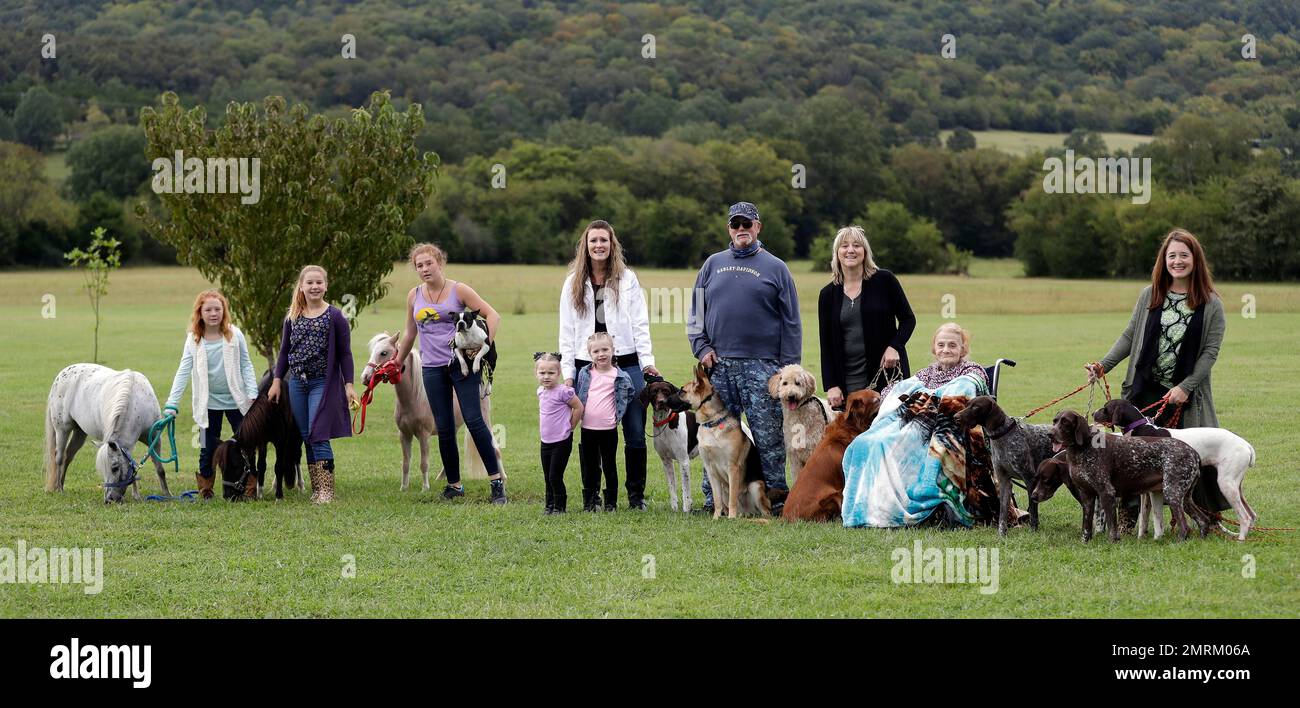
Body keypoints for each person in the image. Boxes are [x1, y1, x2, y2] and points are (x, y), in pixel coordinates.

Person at [1086, 228, 1228, 516]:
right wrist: (1103, 366)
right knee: (1134, 453)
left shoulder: (1212, 304)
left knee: (1189, 452)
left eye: (1184, 255)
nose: (1177, 261)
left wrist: (1186, 387)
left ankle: (1204, 514)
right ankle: (1129, 514)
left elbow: (1210, 353)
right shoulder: (1149, 295)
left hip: (1184, 396)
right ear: (1164, 260)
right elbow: (1129, 336)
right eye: (1171, 255)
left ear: (1195, 260)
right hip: (1144, 388)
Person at [687, 201, 801, 513]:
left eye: (747, 224)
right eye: (736, 225)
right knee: (715, 435)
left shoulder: (776, 267)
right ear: (729, 229)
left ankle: (776, 502)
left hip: (763, 368)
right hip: (720, 365)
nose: (742, 230)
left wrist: (787, 369)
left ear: (758, 227)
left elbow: (791, 321)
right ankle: (716, 502)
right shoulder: (712, 264)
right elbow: (696, 314)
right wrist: (702, 348)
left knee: (768, 437)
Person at [840, 323, 999, 528]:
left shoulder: (971, 370)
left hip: (942, 428)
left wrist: (933, 396)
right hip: (910, 420)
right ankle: (866, 508)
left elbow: (965, 391)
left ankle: (901, 507)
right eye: (941, 345)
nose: (946, 349)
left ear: (963, 349)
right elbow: (899, 390)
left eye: (952, 345)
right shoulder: (927, 373)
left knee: (888, 443)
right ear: (934, 348)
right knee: (864, 443)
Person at [393, 243, 507, 503]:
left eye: (428, 263)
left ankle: (497, 483)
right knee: (443, 427)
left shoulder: (459, 290)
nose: (424, 269)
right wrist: (397, 363)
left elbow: (493, 315)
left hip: (462, 364)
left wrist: (482, 345)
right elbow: (410, 333)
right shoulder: (414, 296)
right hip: (431, 368)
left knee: (474, 421)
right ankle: (454, 486)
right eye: (419, 266)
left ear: (439, 263)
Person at [558, 220, 659, 509]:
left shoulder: (627, 279)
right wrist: (568, 374)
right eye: (593, 241)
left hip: (626, 363)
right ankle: (593, 496)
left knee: (635, 430)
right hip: (585, 365)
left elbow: (640, 324)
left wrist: (647, 363)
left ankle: (636, 495)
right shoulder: (573, 282)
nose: (599, 245)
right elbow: (566, 331)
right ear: (585, 246)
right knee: (591, 432)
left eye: (604, 240)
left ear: (612, 244)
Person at [267, 265, 358, 504]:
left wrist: (349, 385)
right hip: (297, 383)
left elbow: (345, 354)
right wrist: (277, 381)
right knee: (307, 434)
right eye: (310, 283)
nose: (315, 286)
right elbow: (284, 352)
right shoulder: (292, 316)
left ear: (326, 286)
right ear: (302, 286)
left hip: (322, 383)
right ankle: (317, 489)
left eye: (319, 282)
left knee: (318, 432)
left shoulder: (335, 316)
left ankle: (327, 490)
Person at [162, 290, 259, 499]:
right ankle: (206, 488)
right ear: (200, 312)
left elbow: (246, 364)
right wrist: (172, 403)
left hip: (237, 401)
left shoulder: (234, 334)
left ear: (224, 311)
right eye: (208, 309)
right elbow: (183, 371)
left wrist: (252, 391)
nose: (213, 313)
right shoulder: (194, 339)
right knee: (206, 447)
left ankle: (250, 486)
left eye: (217, 308)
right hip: (207, 404)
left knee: (246, 444)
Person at [818, 225, 916, 409]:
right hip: (847, 381)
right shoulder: (828, 294)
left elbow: (908, 320)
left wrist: (894, 347)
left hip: (885, 376)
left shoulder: (885, 281)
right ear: (837, 252)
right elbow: (826, 345)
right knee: (850, 435)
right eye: (844, 246)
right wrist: (831, 385)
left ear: (865, 251)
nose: (850, 250)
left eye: (856, 245)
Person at [574, 332, 634, 512]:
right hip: (588, 428)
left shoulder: (620, 376)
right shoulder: (585, 374)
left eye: (605, 350)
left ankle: (611, 502)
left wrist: (617, 414)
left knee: (609, 465)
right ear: (589, 354)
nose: (601, 354)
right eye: (596, 351)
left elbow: (629, 394)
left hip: (608, 429)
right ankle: (590, 501)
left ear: (613, 350)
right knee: (590, 466)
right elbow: (579, 395)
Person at [535, 352, 583, 515]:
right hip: (545, 441)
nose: (546, 377)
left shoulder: (565, 392)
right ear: (536, 373)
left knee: (555, 475)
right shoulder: (540, 391)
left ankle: (559, 507)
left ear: (559, 373)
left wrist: (571, 426)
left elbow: (579, 407)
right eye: (542, 373)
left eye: (551, 373)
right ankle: (549, 505)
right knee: (547, 475)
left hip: (561, 441)